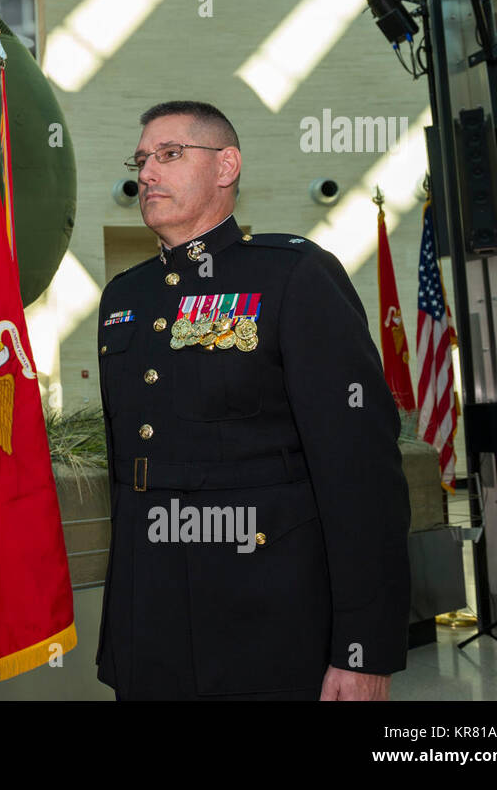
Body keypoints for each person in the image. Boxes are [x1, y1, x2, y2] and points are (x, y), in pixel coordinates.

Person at [96, 100, 411, 701]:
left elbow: (359, 473)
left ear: (226, 166)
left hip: (268, 616)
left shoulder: (293, 276)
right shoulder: (124, 297)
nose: (148, 173)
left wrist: (363, 647)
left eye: (169, 155)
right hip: (152, 616)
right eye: (142, 160)